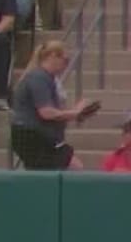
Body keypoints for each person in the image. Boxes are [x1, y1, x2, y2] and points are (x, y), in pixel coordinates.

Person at [10, 41, 96, 171]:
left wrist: (78, 113)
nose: (65, 65)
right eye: (65, 60)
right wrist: (75, 112)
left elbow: (53, 113)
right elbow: (46, 112)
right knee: (73, 167)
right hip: (33, 135)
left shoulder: (48, 79)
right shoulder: (39, 77)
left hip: (38, 135)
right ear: (53, 56)